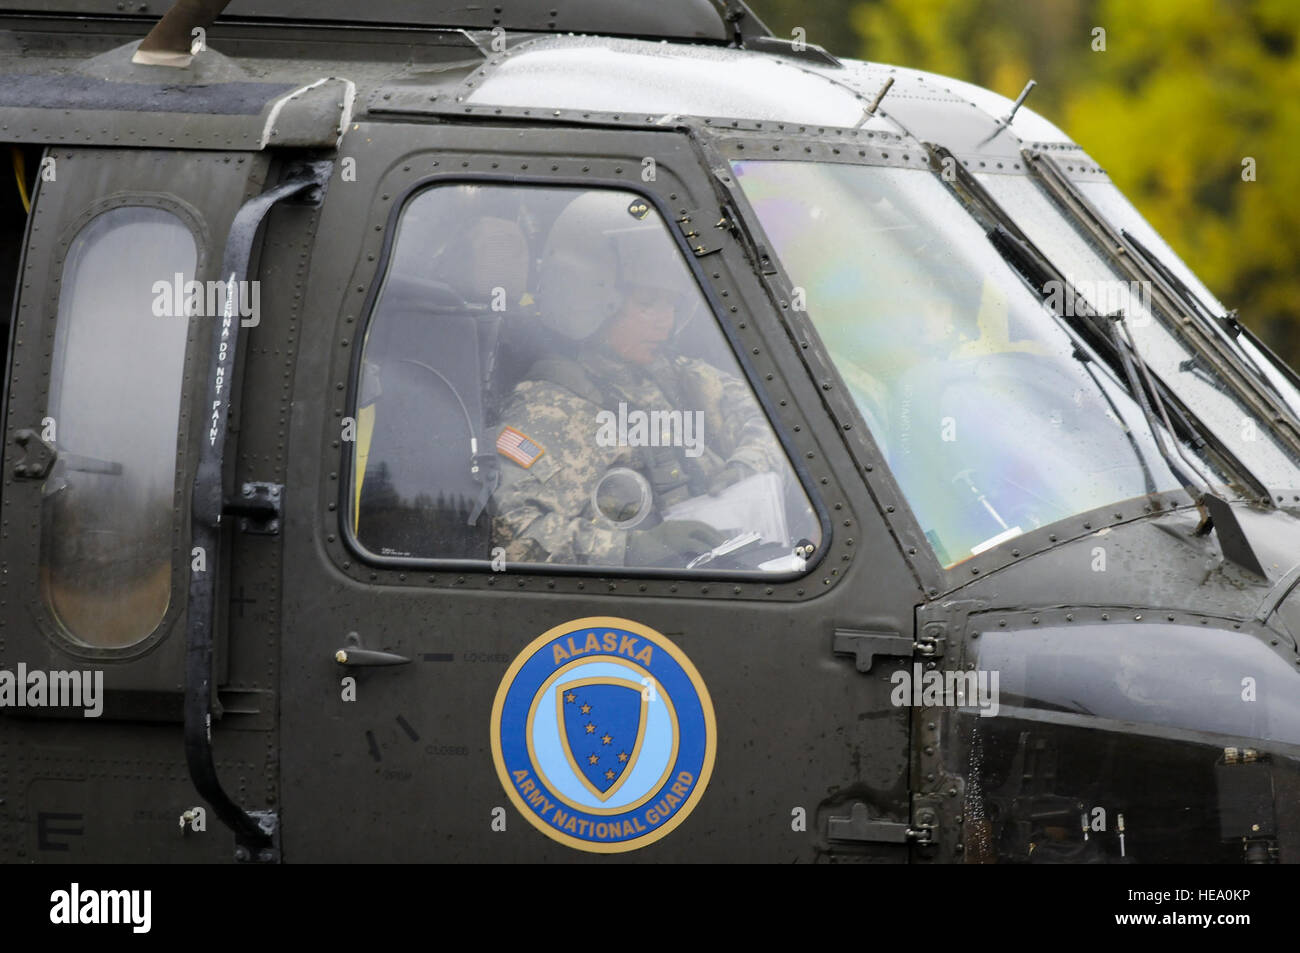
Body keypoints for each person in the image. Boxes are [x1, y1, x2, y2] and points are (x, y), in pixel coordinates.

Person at [490, 191, 789, 568]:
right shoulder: (550, 408)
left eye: (672, 304)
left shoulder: (679, 374)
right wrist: (630, 549)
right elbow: (511, 535)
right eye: (648, 303)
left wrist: (747, 465)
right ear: (589, 297)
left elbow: (775, 421)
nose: (665, 320)